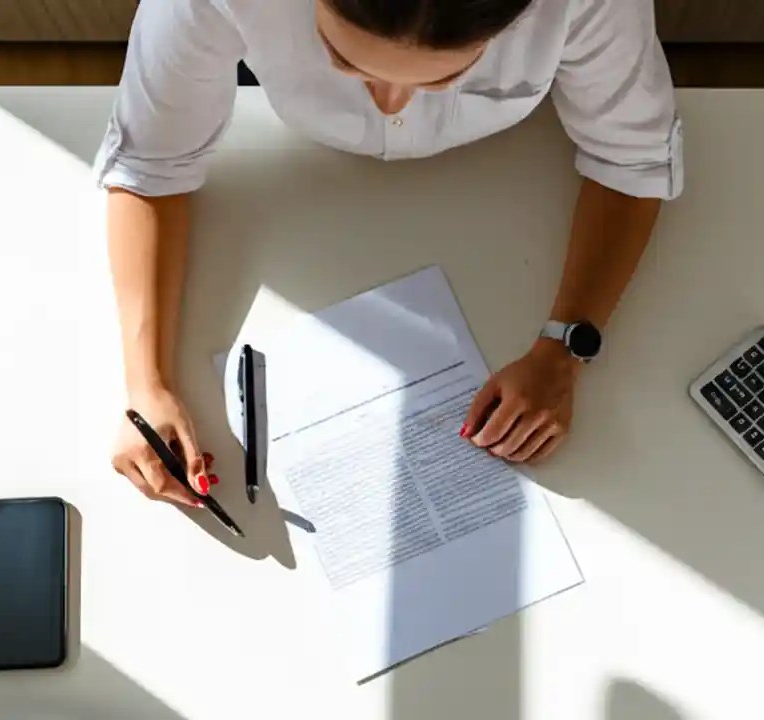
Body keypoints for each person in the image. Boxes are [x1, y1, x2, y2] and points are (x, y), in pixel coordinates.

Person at [100, 0, 684, 507]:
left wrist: (564, 348)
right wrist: (146, 384)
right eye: (344, 60)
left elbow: (632, 158)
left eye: (443, 79)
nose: (388, 104)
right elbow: (149, 163)